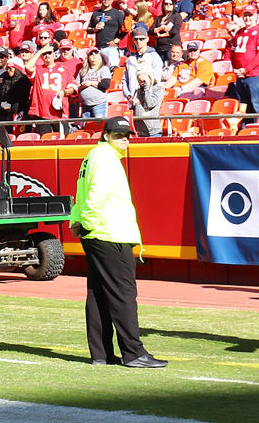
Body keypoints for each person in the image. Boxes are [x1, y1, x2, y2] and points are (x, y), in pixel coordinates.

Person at [71, 117, 166, 368]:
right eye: (118, 134)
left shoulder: (94, 156)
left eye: (127, 135)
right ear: (106, 135)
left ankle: (101, 353)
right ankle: (133, 353)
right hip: (108, 234)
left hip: (97, 233)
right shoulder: (105, 159)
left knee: (98, 295)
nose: (125, 139)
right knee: (123, 294)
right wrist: (89, 222)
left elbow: (81, 192)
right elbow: (94, 196)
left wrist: (79, 222)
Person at [122, 24, 164, 137]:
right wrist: (129, 97)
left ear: (147, 39)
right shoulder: (130, 59)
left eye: (142, 39)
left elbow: (155, 79)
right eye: (136, 39)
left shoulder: (154, 56)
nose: (139, 41)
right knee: (137, 131)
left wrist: (142, 93)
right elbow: (124, 81)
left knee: (150, 126)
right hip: (133, 101)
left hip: (147, 98)